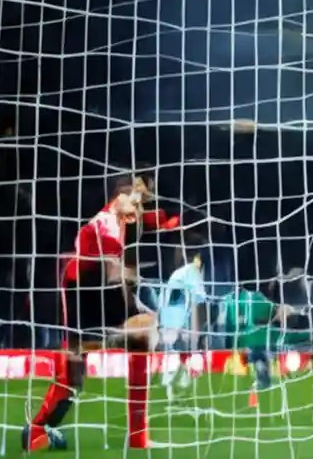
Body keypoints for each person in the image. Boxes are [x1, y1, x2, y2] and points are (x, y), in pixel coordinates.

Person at [23, 178, 180, 452]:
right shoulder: (104, 227)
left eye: (141, 200)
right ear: (118, 198)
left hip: (100, 296)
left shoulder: (123, 219)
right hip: (84, 302)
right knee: (73, 377)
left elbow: (158, 218)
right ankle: (36, 432)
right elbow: (108, 274)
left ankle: (138, 435)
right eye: (134, 199)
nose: (138, 206)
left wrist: (169, 219)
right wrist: (130, 290)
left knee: (143, 336)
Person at [157, 252, 208, 399]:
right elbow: (198, 306)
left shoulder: (180, 275)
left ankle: (171, 390)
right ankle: (177, 389)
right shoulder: (191, 273)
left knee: (176, 357)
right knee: (179, 357)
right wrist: (196, 340)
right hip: (178, 326)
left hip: (171, 325)